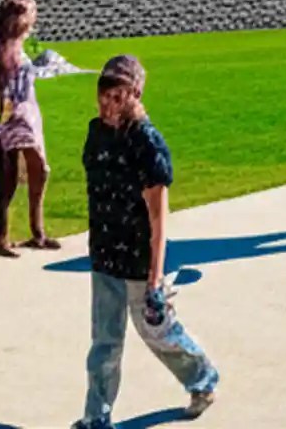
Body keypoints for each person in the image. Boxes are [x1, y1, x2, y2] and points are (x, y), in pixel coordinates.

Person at [74, 56, 218, 429]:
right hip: (105, 253)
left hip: (139, 257)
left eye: (117, 96)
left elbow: (158, 215)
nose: (107, 104)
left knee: (157, 332)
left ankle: (202, 378)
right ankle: (96, 418)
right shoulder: (96, 132)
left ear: (135, 94)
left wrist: (155, 277)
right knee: (104, 343)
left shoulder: (147, 142)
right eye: (103, 95)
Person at [0, 0, 58, 256]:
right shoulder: (8, 50)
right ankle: (3, 236)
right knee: (11, 178)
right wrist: (7, 119)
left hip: (27, 115)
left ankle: (36, 231)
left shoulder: (14, 46)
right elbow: (7, 90)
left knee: (37, 170)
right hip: (18, 118)